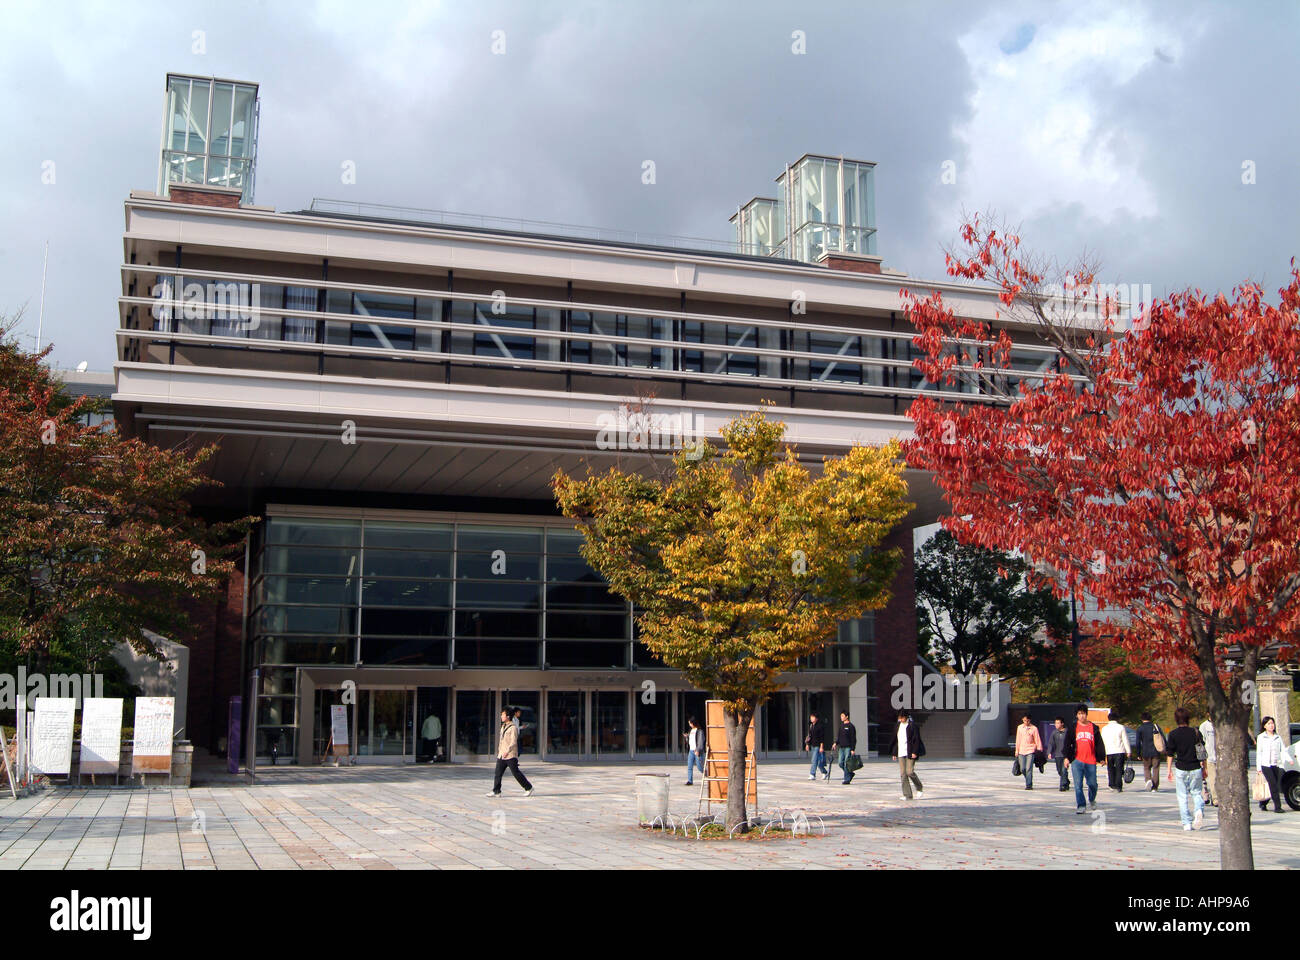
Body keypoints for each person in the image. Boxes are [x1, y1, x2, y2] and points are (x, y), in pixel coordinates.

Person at [1164, 707, 1204, 831]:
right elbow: (1202, 751)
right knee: (1197, 793)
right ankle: (1198, 810)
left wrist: (1169, 770)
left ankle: (1186, 823)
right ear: (1188, 718)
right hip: (1196, 767)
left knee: (1182, 796)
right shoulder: (1196, 732)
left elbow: (1170, 753)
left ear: (1176, 719)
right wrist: (1205, 767)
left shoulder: (1173, 734)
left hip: (1181, 768)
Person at [1062, 705, 1108, 814]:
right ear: (1077, 715)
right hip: (1077, 760)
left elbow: (1099, 744)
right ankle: (1081, 805)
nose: (1081, 716)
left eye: (1083, 713)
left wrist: (1101, 757)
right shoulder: (1073, 727)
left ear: (1086, 714)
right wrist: (1067, 758)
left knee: (1093, 784)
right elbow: (1067, 743)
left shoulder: (1094, 727)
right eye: (1079, 714)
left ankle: (1092, 799)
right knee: (1078, 785)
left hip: (1091, 760)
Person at [486, 708, 533, 797]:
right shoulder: (503, 726)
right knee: (498, 773)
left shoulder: (513, 728)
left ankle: (529, 787)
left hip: (510, 755)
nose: (501, 716)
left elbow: (513, 742)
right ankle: (496, 791)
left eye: (502, 715)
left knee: (516, 773)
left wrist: (507, 751)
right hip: (502, 755)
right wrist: (500, 751)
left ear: (508, 717)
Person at [891, 711, 925, 800]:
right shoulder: (898, 726)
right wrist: (894, 753)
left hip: (910, 752)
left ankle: (919, 787)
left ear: (906, 717)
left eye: (902, 718)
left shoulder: (912, 726)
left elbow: (916, 740)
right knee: (903, 774)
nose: (900, 719)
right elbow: (895, 740)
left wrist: (915, 752)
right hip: (900, 752)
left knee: (909, 772)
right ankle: (908, 795)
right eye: (899, 718)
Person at [1256, 717, 1286, 814]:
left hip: (1275, 764)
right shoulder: (1261, 737)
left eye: (1272, 723)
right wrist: (1258, 768)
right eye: (1269, 724)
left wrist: (1289, 760)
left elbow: (1283, 750)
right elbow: (1259, 753)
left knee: (1272, 785)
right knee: (1273, 785)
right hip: (1265, 765)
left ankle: (1263, 802)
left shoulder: (1277, 737)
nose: (1271, 725)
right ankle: (1278, 807)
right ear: (1264, 726)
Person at [1101, 716, 1131, 791]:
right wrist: (1128, 751)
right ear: (1117, 718)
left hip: (1109, 751)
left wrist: (1102, 752)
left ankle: (1111, 784)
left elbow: (1102, 741)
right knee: (1119, 768)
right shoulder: (1121, 727)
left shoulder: (1105, 728)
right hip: (1119, 750)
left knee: (1110, 768)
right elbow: (1125, 740)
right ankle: (1118, 785)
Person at [1014, 714, 1043, 790]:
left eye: (1027, 720)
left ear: (1030, 720)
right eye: (1024, 720)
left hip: (1030, 750)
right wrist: (1017, 750)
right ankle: (1028, 779)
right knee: (1022, 768)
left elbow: (1037, 739)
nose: (1026, 722)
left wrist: (1039, 749)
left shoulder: (1034, 728)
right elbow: (1018, 739)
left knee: (1028, 768)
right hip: (1021, 750)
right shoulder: (1020, 728)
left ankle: (1029, 785)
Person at [1135, 713, 1162, 791]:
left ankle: (1148, 780)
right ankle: (1155, 787)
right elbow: (1162, 738)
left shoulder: (1140, 728)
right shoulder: (1155, 727)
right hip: (1156, 751)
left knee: (1146, 768)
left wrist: (1138, 753)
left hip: (1145, 752)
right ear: (1150, 718)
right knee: (1156, 768)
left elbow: (1138, 742)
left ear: (1142, 719)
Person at [833, 711, 857, 784]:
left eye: (843, 716)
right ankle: (850, 774)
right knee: (840, 763)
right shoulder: (841, 726)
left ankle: (846, 779)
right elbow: (839, 737)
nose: (841, 717)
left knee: (846, 763)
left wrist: (853, 749)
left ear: (847, 717)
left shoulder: (851, 726)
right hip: (841, 747)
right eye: (841, 716)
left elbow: (853, 739)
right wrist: (835, 743)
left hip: (848, 748)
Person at [1047, 717, 1071, 791]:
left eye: (1058, 723)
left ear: (1062, 723)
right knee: (1059, 771)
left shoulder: (1067, 732)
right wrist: (1049, 752)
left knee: (1064, 770)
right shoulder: (1054, 733)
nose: (1056, 725)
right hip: (1057, 755)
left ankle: (1062, 785)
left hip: (1065, 755)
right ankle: (1066, 781)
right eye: (1055, 723)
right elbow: (1051, 743)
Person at [1198, 717, 1217, 806]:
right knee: (1212, 779)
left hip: (1221, 758)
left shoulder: (1221, 724)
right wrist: (1202, 758)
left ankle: (1217, 797)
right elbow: (1201, 743)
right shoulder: (1204, 726)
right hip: (1210, 757)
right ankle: (1215, 798)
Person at [805, 711, 828, 781]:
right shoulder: (811, 726)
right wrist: (807, 744)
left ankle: (812, 774)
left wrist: (821, 747)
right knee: (818, 762)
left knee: (814, 760)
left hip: (818, 745)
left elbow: (822, 737)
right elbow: (809, 736)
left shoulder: (820, 726)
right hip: (813, 745)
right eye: (811, 717)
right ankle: (824, 772)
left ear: (817, 718)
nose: (811, 718)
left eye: (813, 717)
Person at [684, 716, 706, 786]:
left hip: (697, 751)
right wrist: (687, 737)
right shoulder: (691, 731)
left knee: (700, 767)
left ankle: (708, 774)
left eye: (690, 723)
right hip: (691, 751)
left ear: (693, 723)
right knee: (689, 766)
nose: (689, 725)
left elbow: (700, 741)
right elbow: (690, 741)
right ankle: (690, 781)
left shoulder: (700, 731)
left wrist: (698, 750)